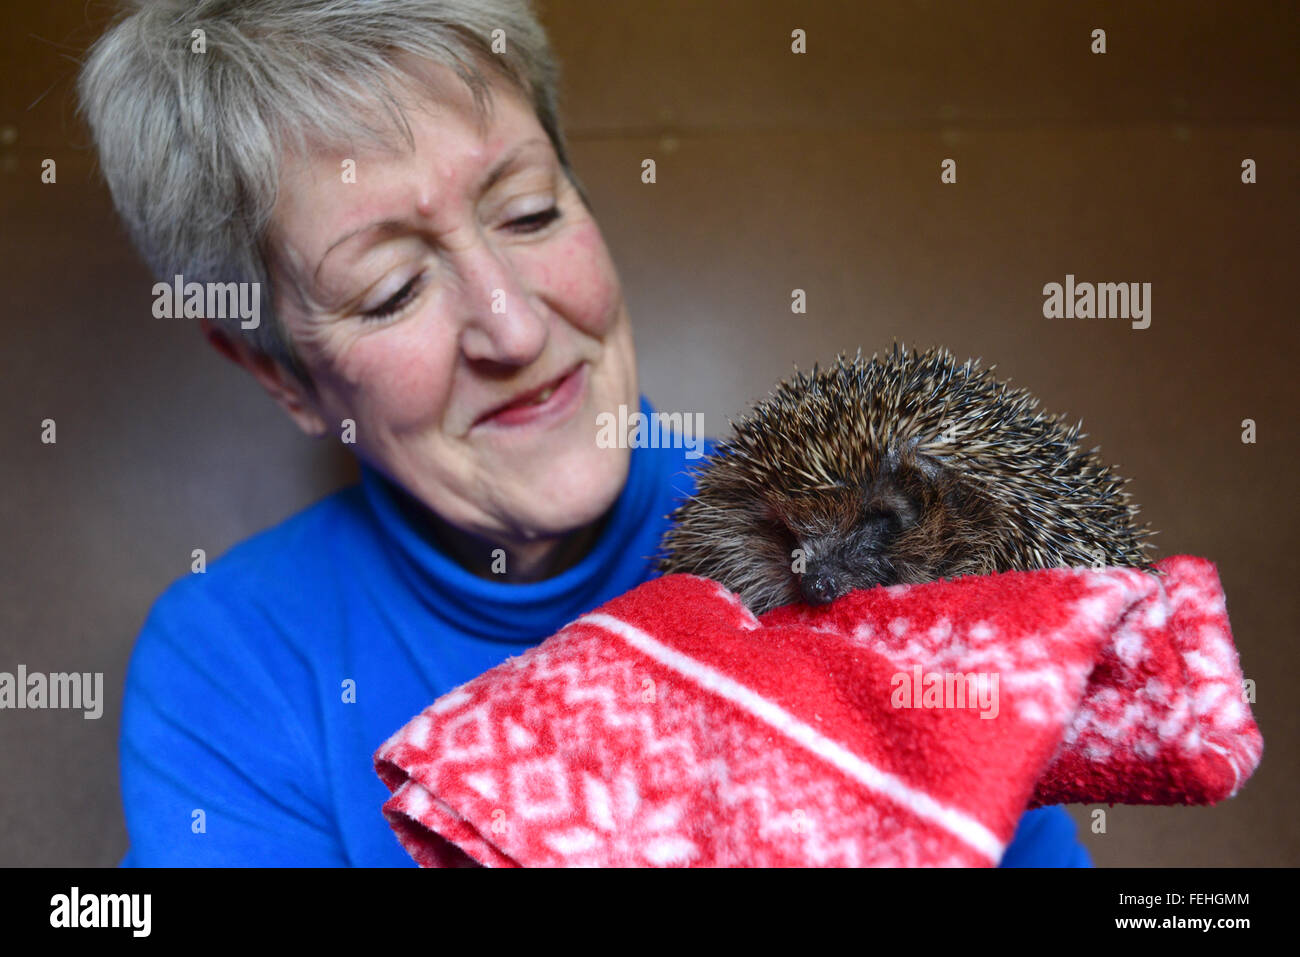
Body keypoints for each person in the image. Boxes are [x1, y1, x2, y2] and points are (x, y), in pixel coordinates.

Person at [78, 0, 1091, 867]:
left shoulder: (896, 545)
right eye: (389, 291)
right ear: (278, 372)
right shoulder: (231, 669)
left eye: (525, 213)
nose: (514, 328)